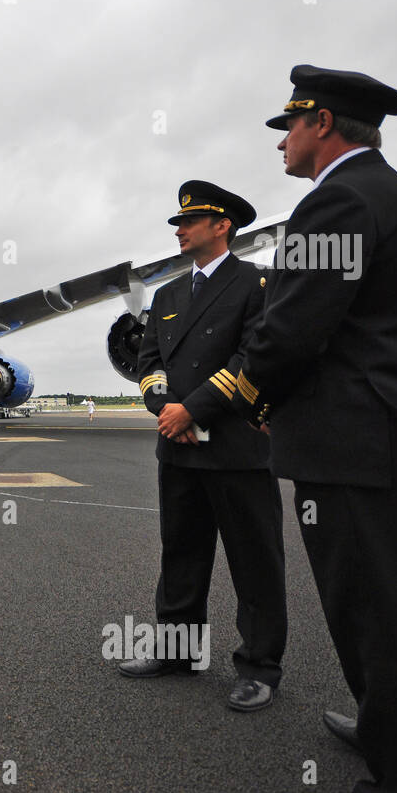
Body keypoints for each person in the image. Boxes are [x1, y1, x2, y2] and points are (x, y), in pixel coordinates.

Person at [207, 65, 397, 793]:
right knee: (374, 610)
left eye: (288, 127)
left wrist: (254, 394)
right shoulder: (381, 193)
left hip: (351, 440)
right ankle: (387, 732)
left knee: (381, 619)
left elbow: (291, 327)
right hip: (367, 435)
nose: (282, 143)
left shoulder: (339, 201)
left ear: (321, 123)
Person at [121, 181, 286, 713]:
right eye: (178, 221)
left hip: (236, 449)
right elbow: (148, 364)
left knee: (254, 562)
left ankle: (259, 669)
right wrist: (168, 411)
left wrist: (194, 408)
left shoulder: (257, 283)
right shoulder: (168, 295)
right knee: (181, 554)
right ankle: (177, 652)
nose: (178, 229)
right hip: (179, 446)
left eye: (190, 221)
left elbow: (254, 357)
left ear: (223, 227)